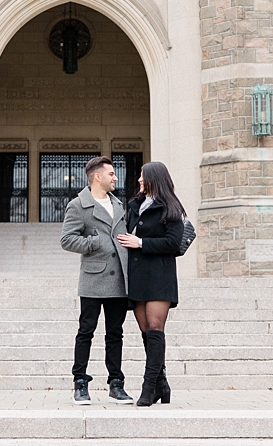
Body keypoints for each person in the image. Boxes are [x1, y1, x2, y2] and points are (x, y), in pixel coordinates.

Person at [60, 156, 135, 406]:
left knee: (115, 334)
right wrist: (94, 243)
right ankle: (80, 383)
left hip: (119, 280)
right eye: (111, 174)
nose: (116, 177)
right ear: (97, 177)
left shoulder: (119, 205)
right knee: (86, 332)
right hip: (93, 278)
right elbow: (67, 240)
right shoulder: (78, 205)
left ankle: (116, 384)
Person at [116, 160, 185, 407]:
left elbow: (173, 243)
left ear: (154, 178)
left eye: (143, 176)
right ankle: (162, 386)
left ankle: (148, 387)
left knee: (155, 329)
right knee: (146, 333)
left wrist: (141, 243)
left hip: (160, 276)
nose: (139, 180)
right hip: (137, 276)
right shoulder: (134, 206)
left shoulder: (171, 207)